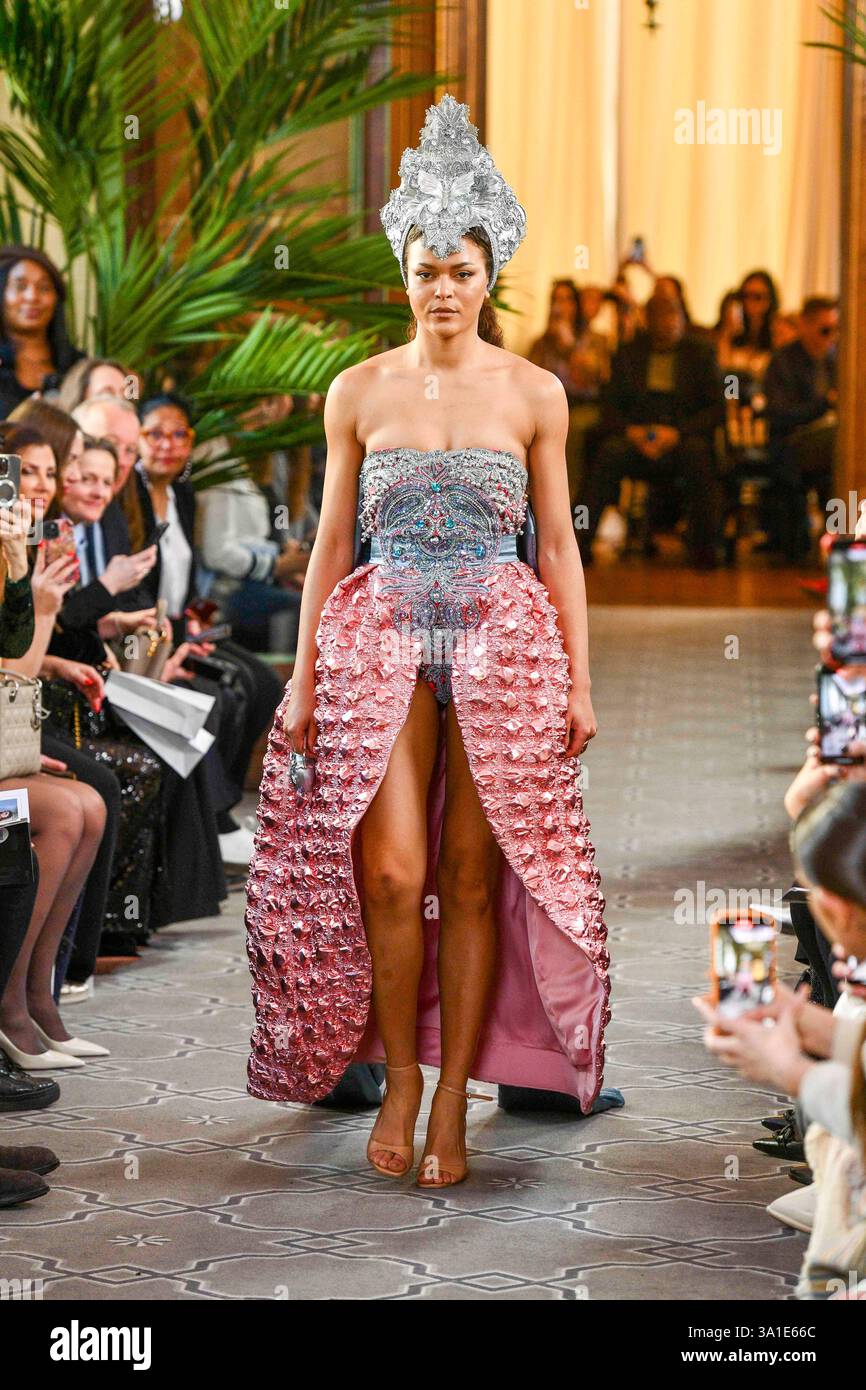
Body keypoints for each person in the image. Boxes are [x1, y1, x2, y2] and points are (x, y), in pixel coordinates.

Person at [246, 93, 611, 1189]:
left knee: (469, 868)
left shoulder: (534, 391)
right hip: (380, 635)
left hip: (504, 638)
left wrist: (579, 684)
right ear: (401, 274)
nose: (441, 287)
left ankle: (457, 1091)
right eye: (424, 268)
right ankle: (400, 1073)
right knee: (393, 869)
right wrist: (303, 672)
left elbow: (556, 542)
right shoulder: (356, 389)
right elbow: (323, 546)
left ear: (487, 271)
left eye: (459, 268)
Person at [581, 290, 724, 568]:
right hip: (637, 436)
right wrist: (632, 432)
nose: (669, 322)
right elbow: (610, 406)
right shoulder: (629, 353)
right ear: (647, 319)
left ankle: (705, 549)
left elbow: (716, 410)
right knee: (608, 453)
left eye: (674, 314)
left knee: (699, 455)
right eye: (661, 315)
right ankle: (580, 541)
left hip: (682, 436)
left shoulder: (701, 353)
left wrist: (678, 433)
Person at [764, 296, 839, 565]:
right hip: (791, 446)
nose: (830, 337)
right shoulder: (783, 361)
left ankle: (841, 540)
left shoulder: (840, 361)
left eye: (835, 329)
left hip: (831, 449)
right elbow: (779, 415)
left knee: (841, 468)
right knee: (838, 454)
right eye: (825, 329)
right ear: (805, 326)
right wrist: (824, 405)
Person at [528, 280, 610, 520]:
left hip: (585, 406)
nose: (560, 306)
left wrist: (571, 347)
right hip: (548, 406)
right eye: (556, 299)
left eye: (566, 299)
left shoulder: (597, 339)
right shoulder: (542, 343)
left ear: (576, 305)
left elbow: (594, 380)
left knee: (571, 429)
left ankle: (567, 503)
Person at [0, 245, 85, 418]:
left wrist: (132, 383)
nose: (32, 297)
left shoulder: (76, 364)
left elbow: (128, 399)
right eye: (20, 286)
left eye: (44, 288)